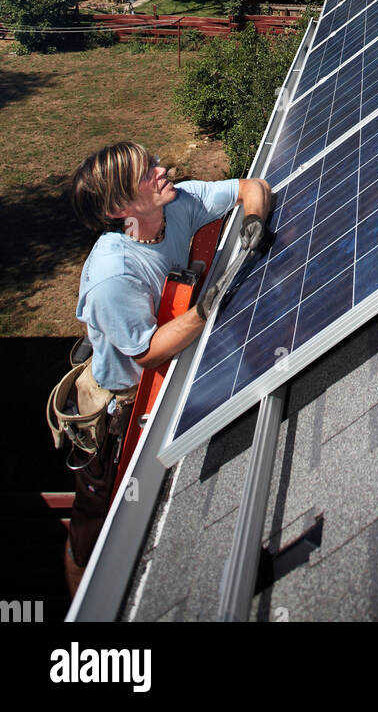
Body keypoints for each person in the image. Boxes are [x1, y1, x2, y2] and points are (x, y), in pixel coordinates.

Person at [63, 141, 272, 592]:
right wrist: (205, 309)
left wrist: (254, 220)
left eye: (153, 162)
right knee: (94, 528)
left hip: (164, 381)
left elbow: (251, 187)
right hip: (121, 412)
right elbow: (148, 352)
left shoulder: (177, 205)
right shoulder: (113, 276)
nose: (162, 170)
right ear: (121, 207)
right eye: (146, 172)